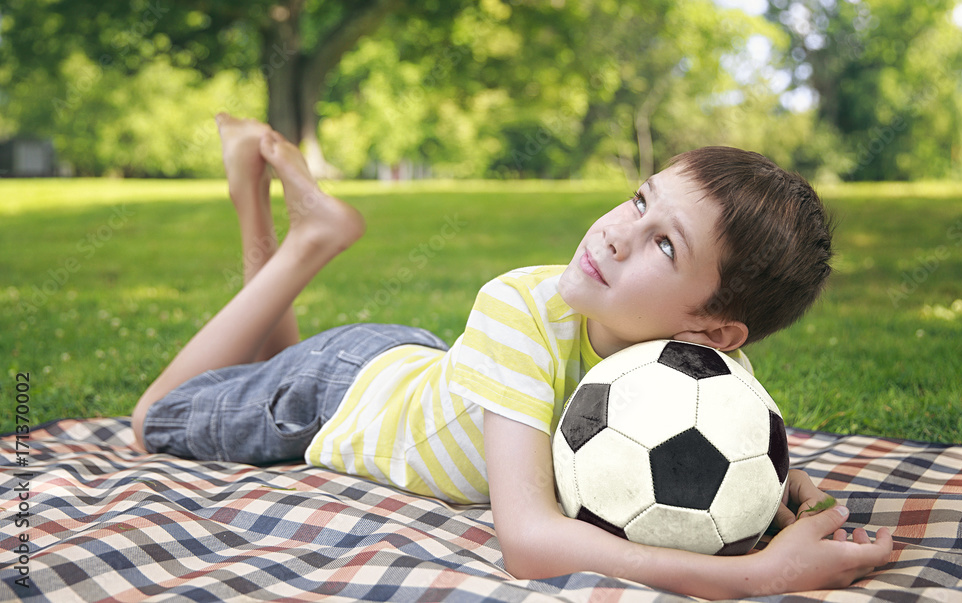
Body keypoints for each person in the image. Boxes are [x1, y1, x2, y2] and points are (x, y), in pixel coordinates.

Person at [130, 114, 892, 599]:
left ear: (714, 333)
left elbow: (744, 454)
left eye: (664, 243)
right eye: (638, 200)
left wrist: (802, 500)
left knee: (272, 356)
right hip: (338, 393)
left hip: (433, 377)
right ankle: (301, 237)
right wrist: (757, 575)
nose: (618, 232)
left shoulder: (702, 375)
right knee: (153, 418)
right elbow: (528, 543)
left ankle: (300, 226)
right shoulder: (518, 305)